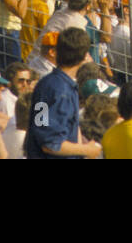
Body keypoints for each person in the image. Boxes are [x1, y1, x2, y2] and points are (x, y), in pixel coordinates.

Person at [25, 27, 101, 159]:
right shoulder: (60, 90)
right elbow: (50, 144)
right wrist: (87, 150)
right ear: (84, 56)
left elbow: (42, 129)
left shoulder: (47, 84)